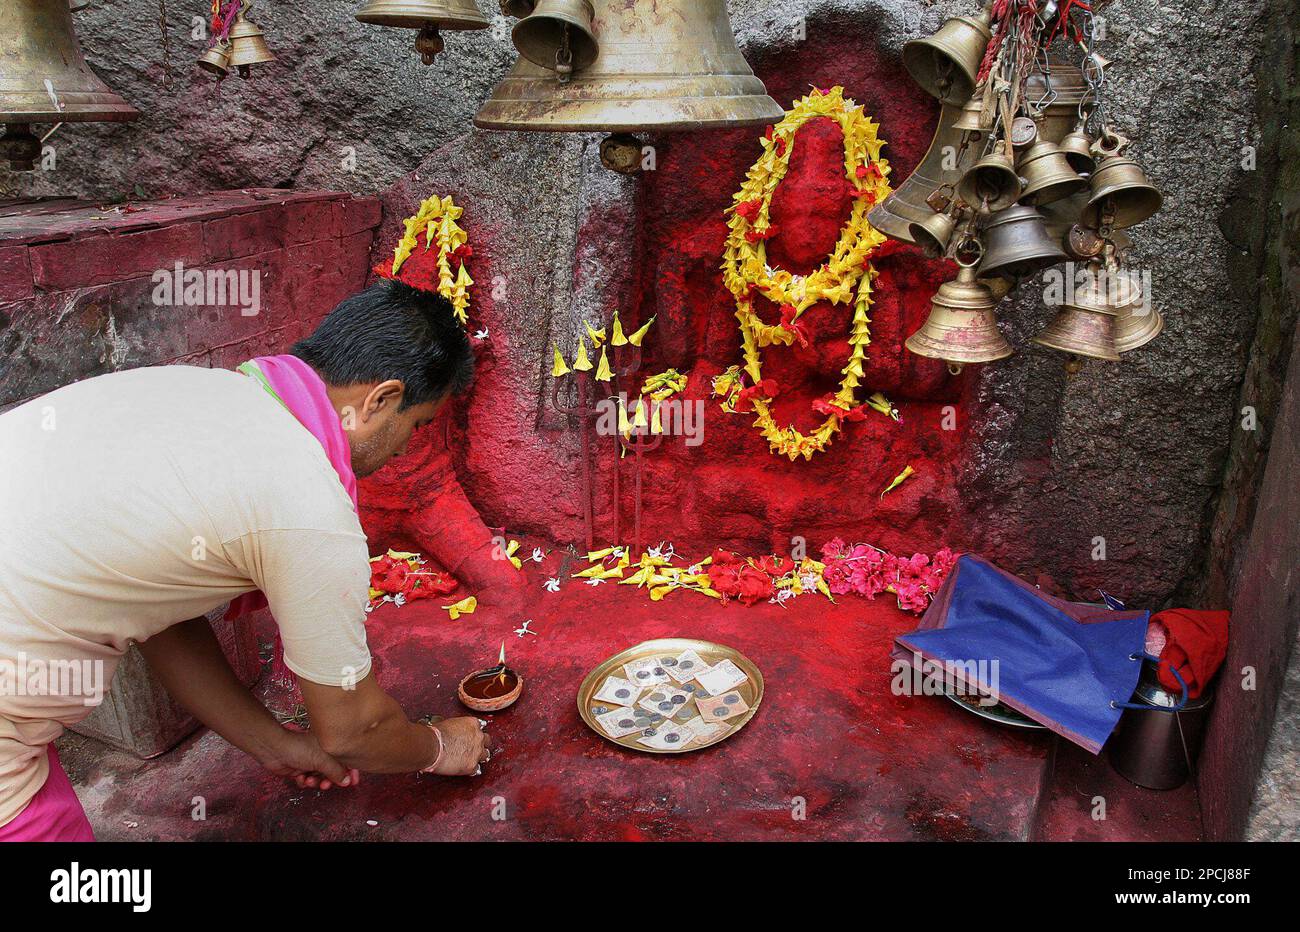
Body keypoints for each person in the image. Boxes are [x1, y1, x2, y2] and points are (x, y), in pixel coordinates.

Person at [0, 280, 492, 842]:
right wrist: (439, 746)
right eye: (419, 424)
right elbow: (353, 731)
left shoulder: (202, 391)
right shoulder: (308, 509)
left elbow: (162, 613)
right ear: (379, 400)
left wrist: (273, 742)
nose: (407, 447)